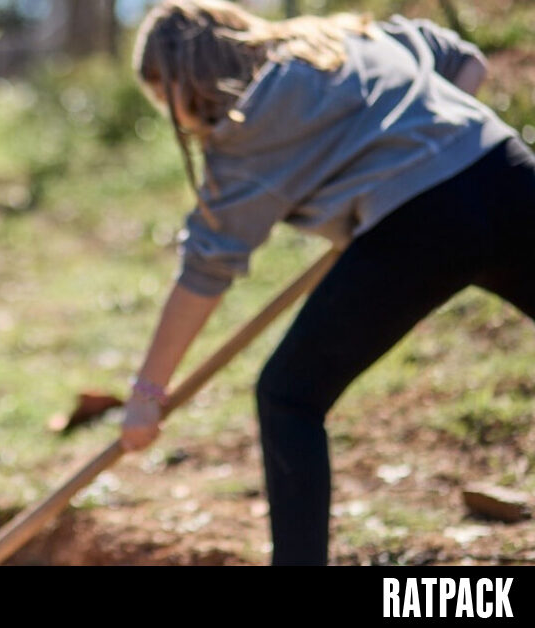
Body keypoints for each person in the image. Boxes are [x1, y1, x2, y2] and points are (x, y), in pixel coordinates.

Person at [120, 0, 534, 565]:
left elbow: (206, 270)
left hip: (419, 227)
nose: (182, 119)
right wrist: (427, 142)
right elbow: (464, 61)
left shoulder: (242, 130)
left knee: (288, 397)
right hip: (505, 171)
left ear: (181, 85)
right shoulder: (343, 39)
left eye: (164, 98)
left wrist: (147, 394)